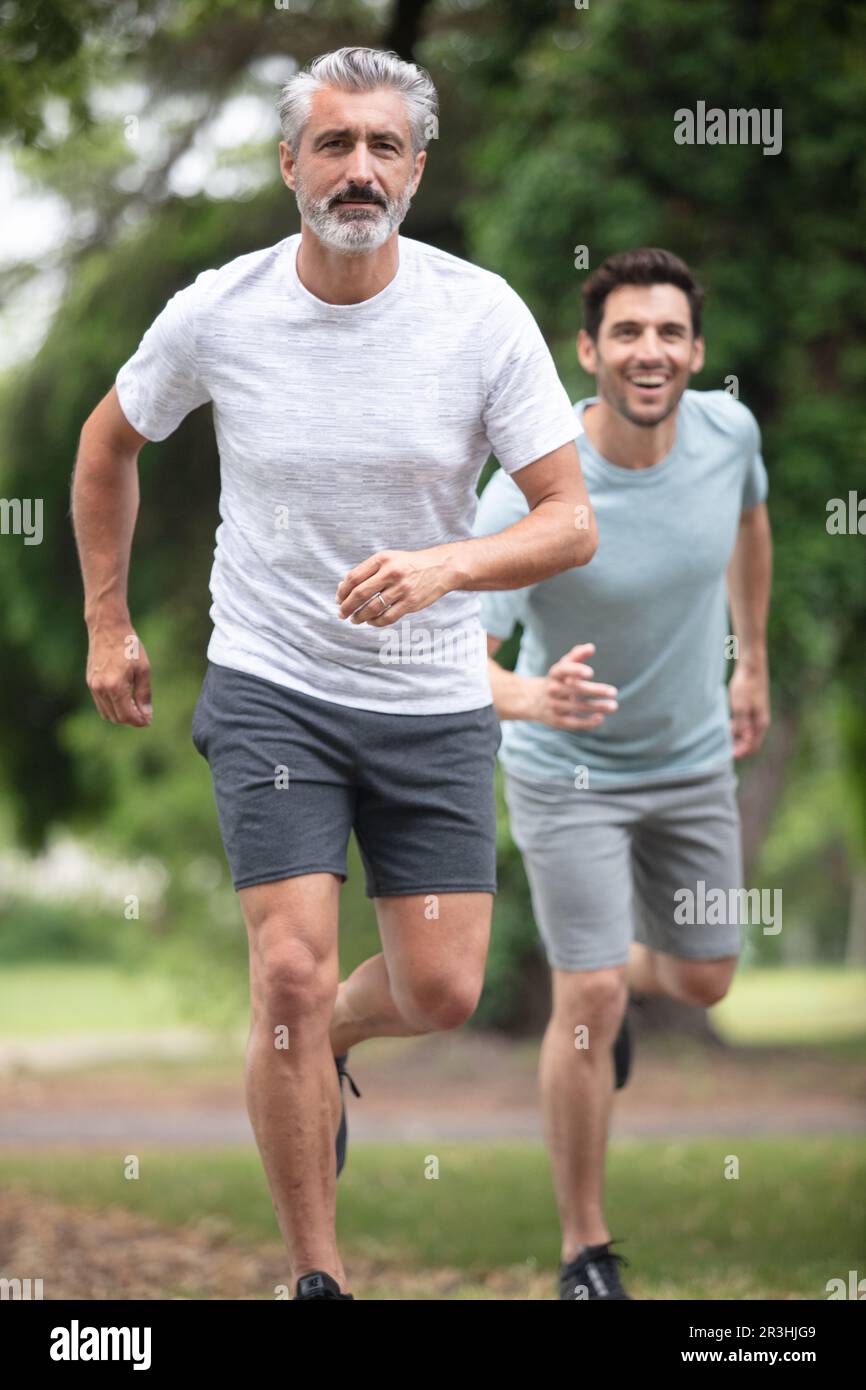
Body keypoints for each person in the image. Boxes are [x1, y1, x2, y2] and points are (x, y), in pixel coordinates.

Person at [70, 46, 598, 1301]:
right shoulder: (220, 311)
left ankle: (334, 1041)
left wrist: (445, 569)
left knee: (442, 987)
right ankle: (317, 1278)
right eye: (333, 144)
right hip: (272, 681)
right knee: (291, 972)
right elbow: (104, 448)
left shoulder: (480, 315)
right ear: (290, 164)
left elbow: (567, 518)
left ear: (413, 169)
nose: (356, 169)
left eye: (381, 148)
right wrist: (108, 621)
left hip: (427, 695)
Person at [474, 248, 772, 1301]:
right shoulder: (530, 481)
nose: (649, 351)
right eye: (627, 333)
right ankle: (583, 1252)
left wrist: (752, 658)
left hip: (691, 758)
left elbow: (746, 522)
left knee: (703, 978)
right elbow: (463, 650)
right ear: (587, 350)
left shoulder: (728, 433)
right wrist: (532, 698)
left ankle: (625, 985)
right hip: (568, 770)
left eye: (668, 333)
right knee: (586, 992)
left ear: (694, 351)